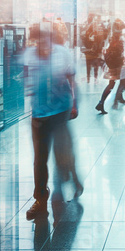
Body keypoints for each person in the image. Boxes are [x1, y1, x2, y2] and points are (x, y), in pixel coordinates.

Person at [22, 23, 80, 220]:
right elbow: (24, 79)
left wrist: (74, 104)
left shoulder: (62, 54)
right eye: (37, 39)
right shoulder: (29, 55)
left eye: (44, 38)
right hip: (38, 114)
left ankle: (71, 175)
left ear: (50, 39)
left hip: (60, 111)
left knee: (61, 151)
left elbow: (72, 80)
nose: (41, 43)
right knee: (40, 158)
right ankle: (40, 199)